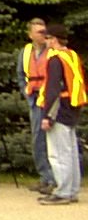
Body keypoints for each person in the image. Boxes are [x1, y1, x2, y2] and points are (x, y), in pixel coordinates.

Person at [37, 24, 83, 206]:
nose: (45, 41)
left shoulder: (55, 59)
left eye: (47, 38)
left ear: (54, 40)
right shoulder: (71, 55)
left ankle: (63, 191)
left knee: (58, 153)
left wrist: (48, 116)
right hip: (72, 106)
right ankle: (71, 190)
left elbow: (53, 89)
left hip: (59, 108)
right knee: (70, 151)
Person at [20, 18, 55, 195]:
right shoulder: (25, 52)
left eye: (44, 31)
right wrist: (26, 94)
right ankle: (45, 177)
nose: (43, 35)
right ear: (31, 34)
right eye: (39, 31)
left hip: (50, 99)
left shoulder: (52, 51)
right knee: (38, 140)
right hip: (34, 100)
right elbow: (21, 75)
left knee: (53, 140)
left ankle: (54, 179)